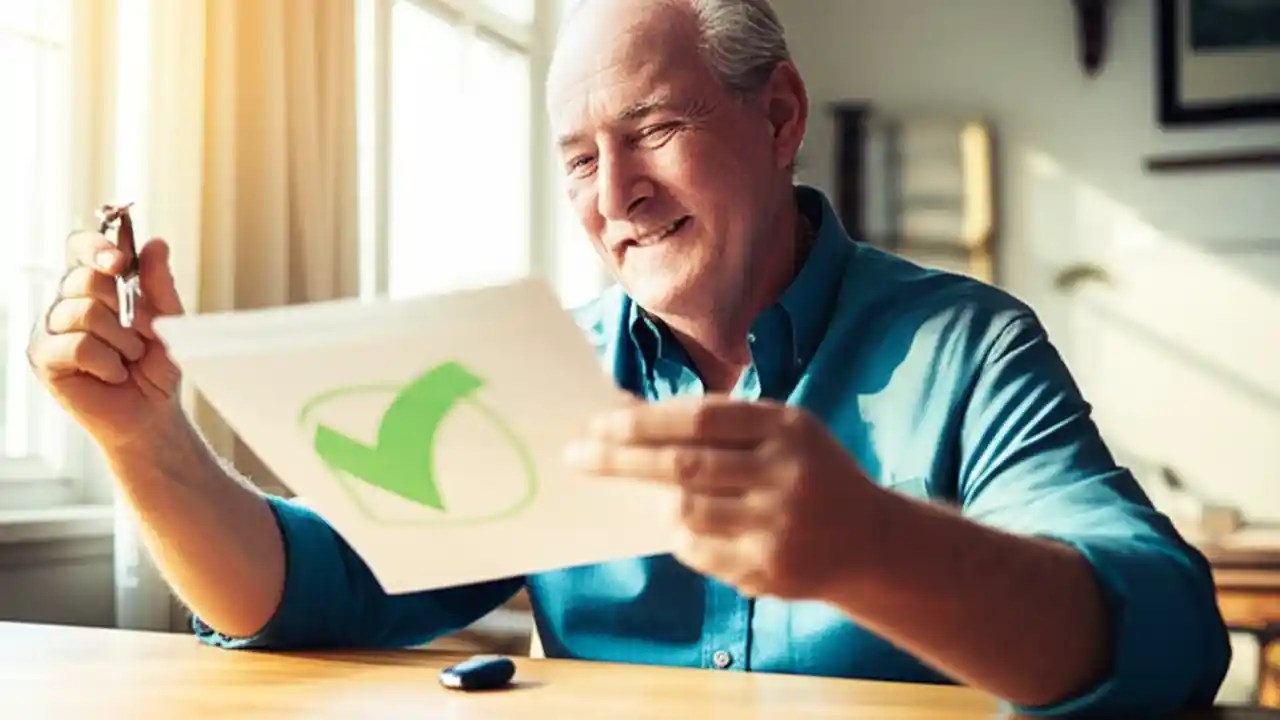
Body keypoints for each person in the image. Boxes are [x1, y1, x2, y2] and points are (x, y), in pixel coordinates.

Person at [27, 0, 1228, 715]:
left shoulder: (963, 349)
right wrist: (142, 437)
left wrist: (868, 545)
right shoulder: (544, 372)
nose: (617, 197)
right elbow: (306, 590)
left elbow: (1171, 636)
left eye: (653, 128)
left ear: (777, 117)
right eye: (577, 159)